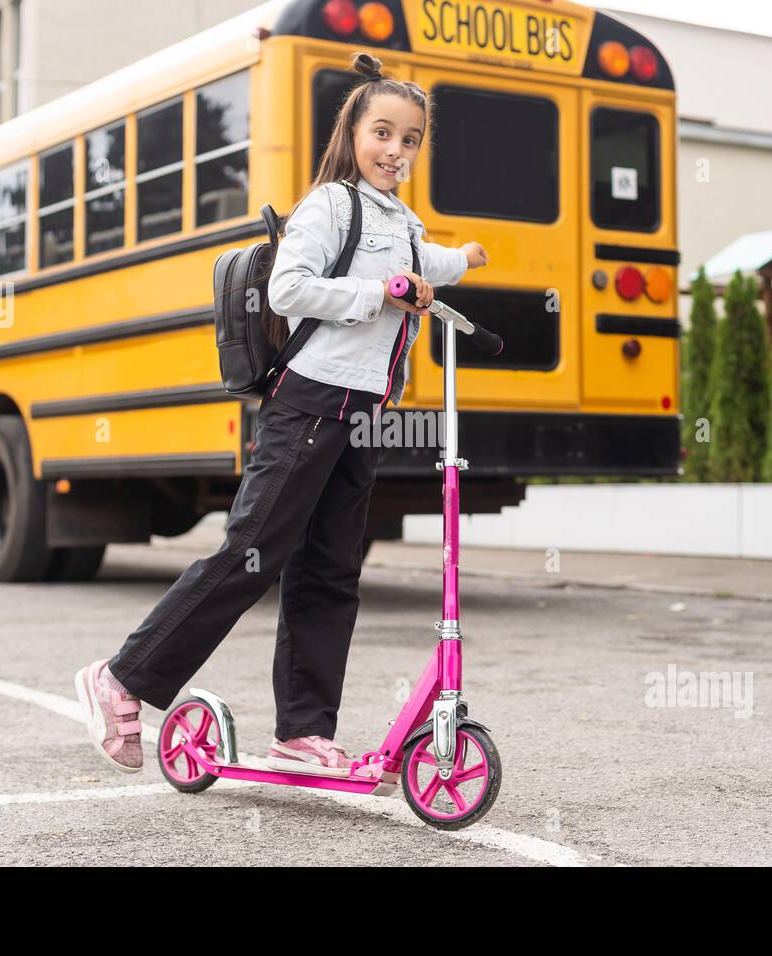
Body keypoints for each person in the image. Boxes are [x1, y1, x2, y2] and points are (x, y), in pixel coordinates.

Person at [75, 50, 489, 776]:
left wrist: (467, 259)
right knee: (251, 551)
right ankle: (121, 677)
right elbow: (289, 289)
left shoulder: (404, 219)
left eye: (411, 138)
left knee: (331, 570)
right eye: (383, 133)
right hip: (311, 400)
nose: (396, 150)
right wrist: (378, 297)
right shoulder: (332, 204)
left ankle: (302, 730)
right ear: (353, 134)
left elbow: (430, 259)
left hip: (365, 409)